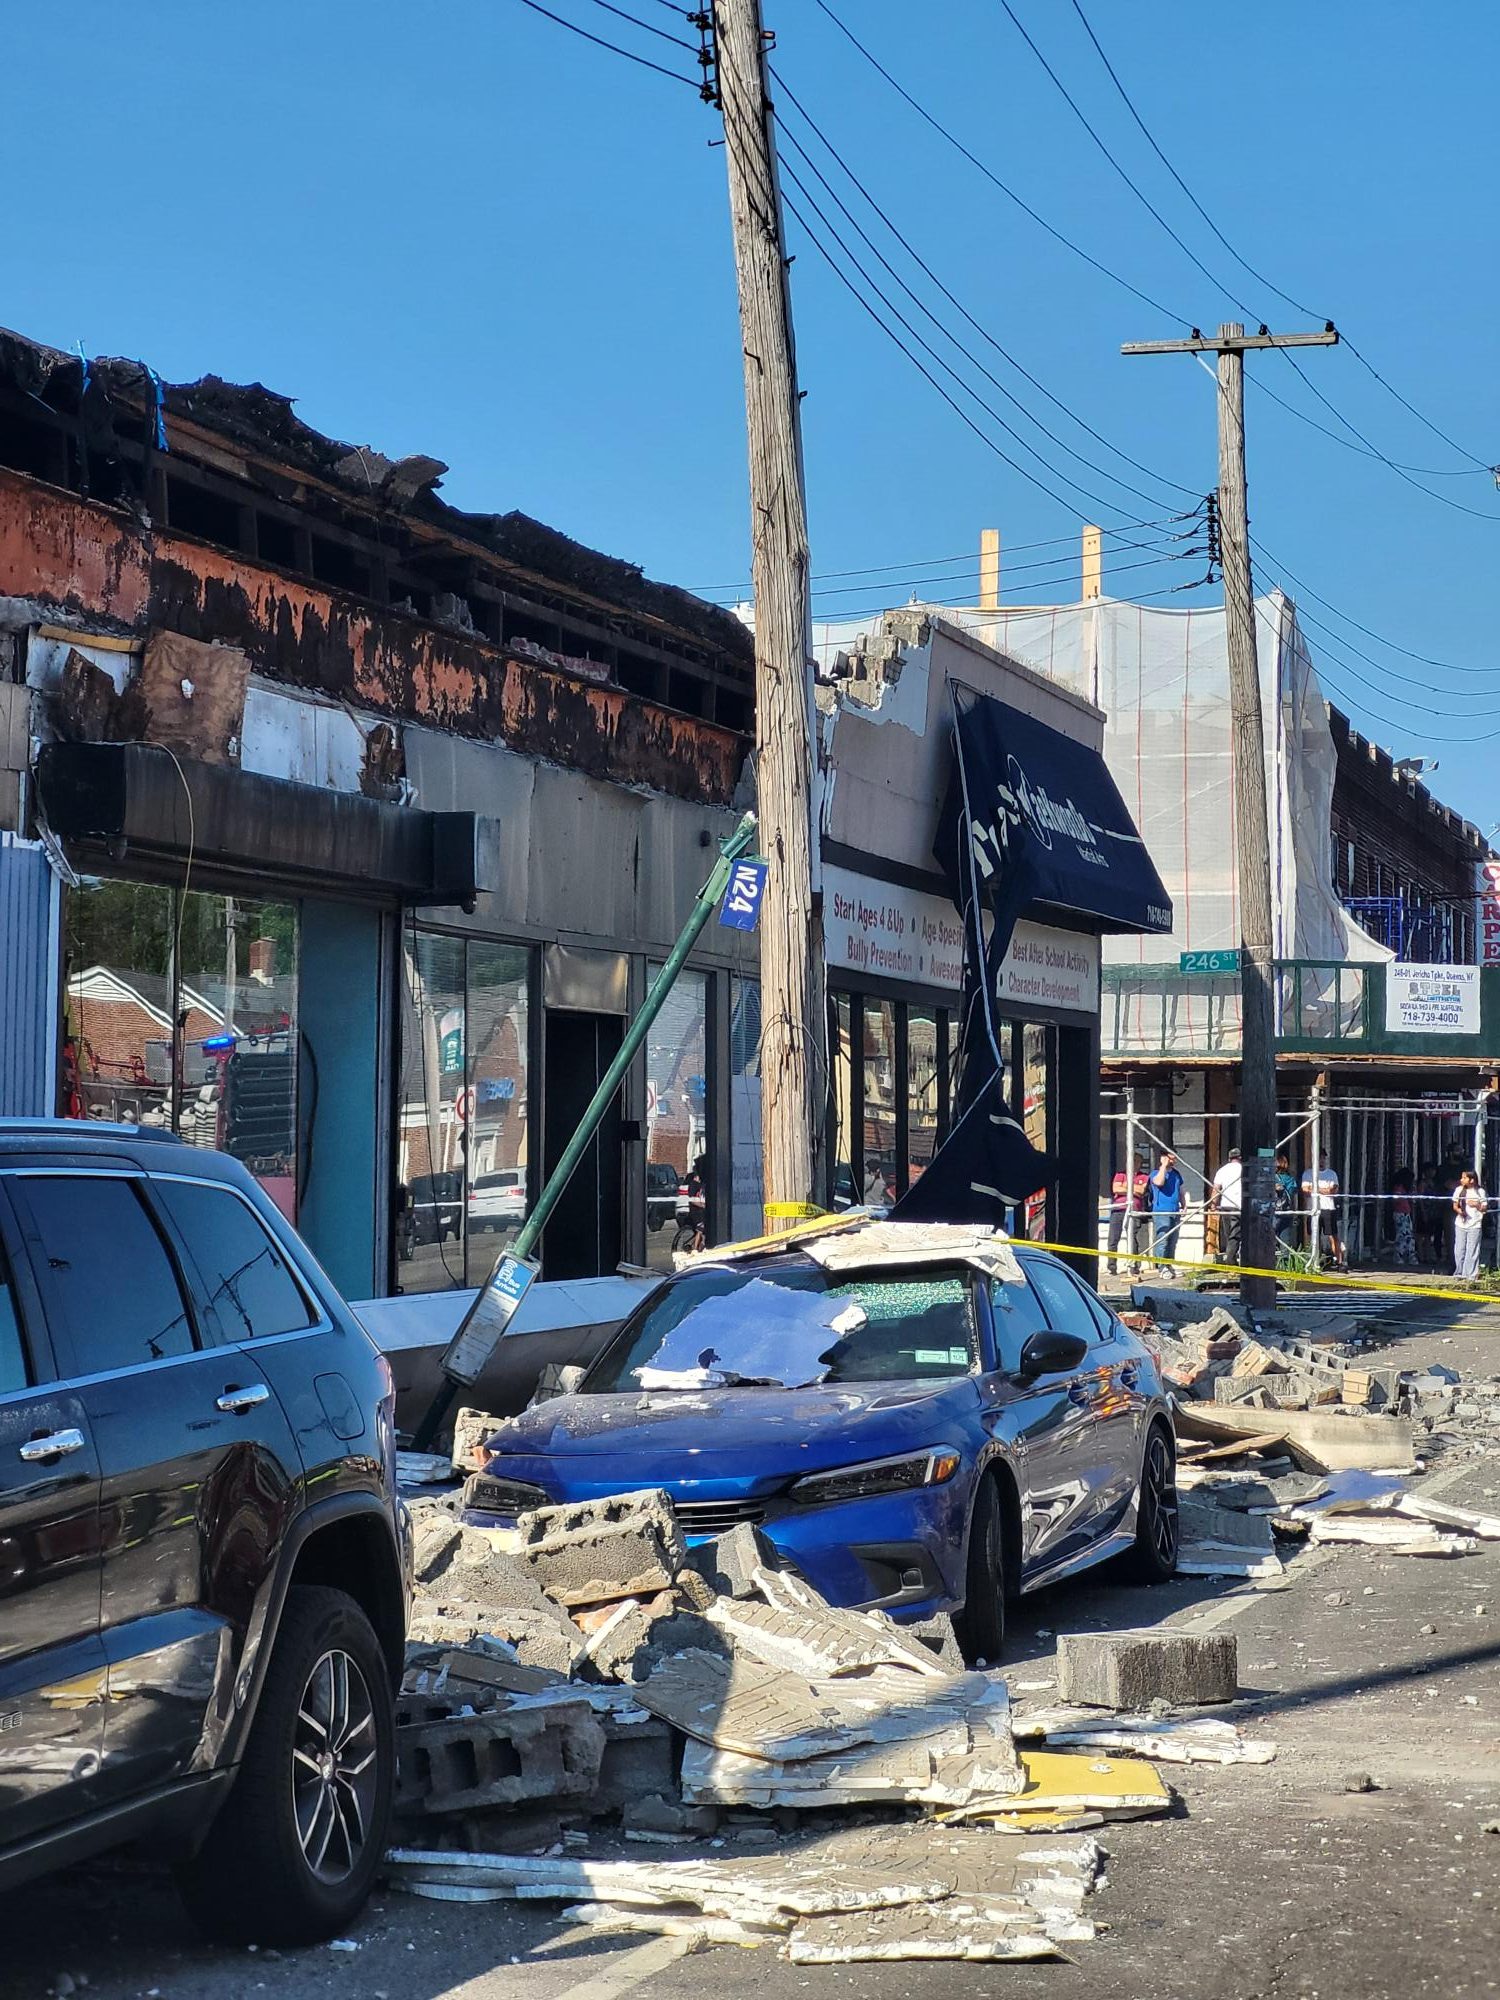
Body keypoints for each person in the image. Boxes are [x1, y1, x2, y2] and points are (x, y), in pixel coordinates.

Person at [1106, 1151, 1151, 1275]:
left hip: (1134, 1210)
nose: (1134, 1163)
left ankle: (1134, 1266)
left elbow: (1141, 1191)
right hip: (1118, 1210)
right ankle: (1111, 1266)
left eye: (1137, 1161)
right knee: (1113, 1239)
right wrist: (1132, 1187)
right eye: (1132, 1161)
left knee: (1133, 1239)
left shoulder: (1144, 1177)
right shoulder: (1120, 1174)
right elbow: (1115, 1188)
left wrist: (1125, 1186)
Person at [1303, 1152, 1344, 1268]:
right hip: (1313, 1208)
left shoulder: (1331, 1174)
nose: (1321, 1161)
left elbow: (1333, 1191)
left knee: (1333, 1235)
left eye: (1323, 1159)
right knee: (1314, 1236)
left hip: (1328, 1208)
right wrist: (1323, 1189)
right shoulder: (1308, 1173)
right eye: (1318, 1158)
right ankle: (1317, 1261)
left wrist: (1315, 1188)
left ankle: (1339, 1262)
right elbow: (1305, 1190)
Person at [1149, 1149, 1185, 1270]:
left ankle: (1169, 1264)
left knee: (1172, 1240)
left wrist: (1184, 1204)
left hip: (1174, 1210)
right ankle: (1162, 1266)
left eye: (1175, 1158)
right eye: (1171, 1158)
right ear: (1164, 1158)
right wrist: (1163, 1166)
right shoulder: (1155, 1173)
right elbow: (1159, 1182)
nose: (1174, 1160)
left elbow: (1180, 1190)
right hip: (1161, 1211)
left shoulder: (1176, 1174)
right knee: (1163, 1238)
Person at [1209, 1147, 1243, 1267]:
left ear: (1229, 1158)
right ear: (1240, 1157)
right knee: (1235, 1235)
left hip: (1225, 1206)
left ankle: (1231, 1259)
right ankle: (1231, 1261)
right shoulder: (1243, 1170)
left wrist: (1213, 1204)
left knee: (1229, 1234)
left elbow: (1216, 1189)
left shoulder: (1222, 1170)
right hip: (1238, 1205)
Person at [1453, 1168, 1489, 1281]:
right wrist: (1460, 1212)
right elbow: (1455, 1205)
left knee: (1472, 1250)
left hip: (1475, 1224)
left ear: (1472, 1180)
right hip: (1460, 1224)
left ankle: (1471, 1275)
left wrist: (1477, 1205)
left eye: (1464, 1178)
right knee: (1459, 1249)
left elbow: (1484, 1208)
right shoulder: (1459, 1190)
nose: (1461, 1180)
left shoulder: (1480, 1191)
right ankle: (1459, 1273)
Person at [1391, 1168, 1418, 1269]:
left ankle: (1410, 1255)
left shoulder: (1405, 1189)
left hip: (1406, 1213)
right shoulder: (1399, 1188)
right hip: (1400, 1214)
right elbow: (1396, 1200)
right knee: (1401, 1236)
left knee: (1409, 1236)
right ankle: (1399, 1256)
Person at [1274, 1152, 1298, 1250]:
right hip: (1286, 1211)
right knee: (1285, 1238)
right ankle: (1284, 1261)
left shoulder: (1271, 1179)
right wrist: (1295, 1213)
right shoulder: (1290, 1179)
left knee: (1270, 1237)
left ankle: (1271, 1260)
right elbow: (1293, 1196)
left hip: (1273, 1211)